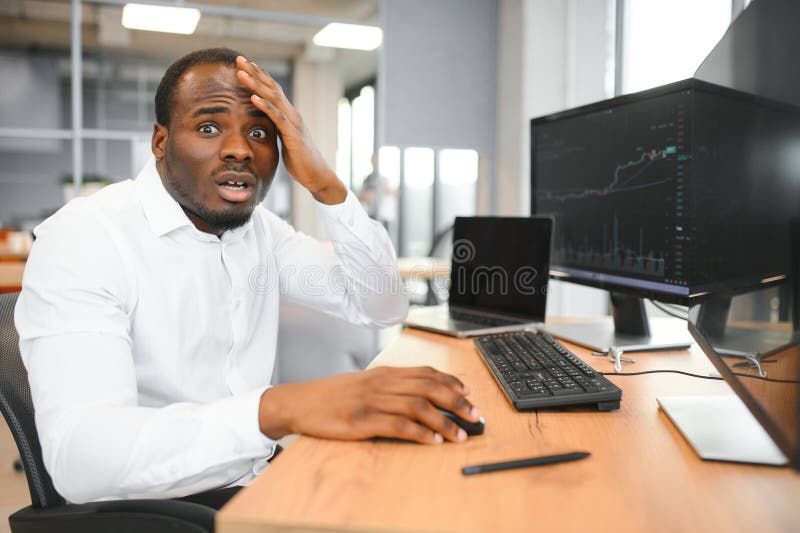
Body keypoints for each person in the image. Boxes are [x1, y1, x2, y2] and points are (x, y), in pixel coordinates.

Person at [14, 48, 481, 506]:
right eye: (209, 127)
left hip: (256, 478)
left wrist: (325, 185)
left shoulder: (259, 232)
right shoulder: (87, 237)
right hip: (157, 507)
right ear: (161, 141)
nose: (239, 149)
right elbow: (80, 460)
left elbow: (381, 304)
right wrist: (282, 408)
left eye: (259, 131)